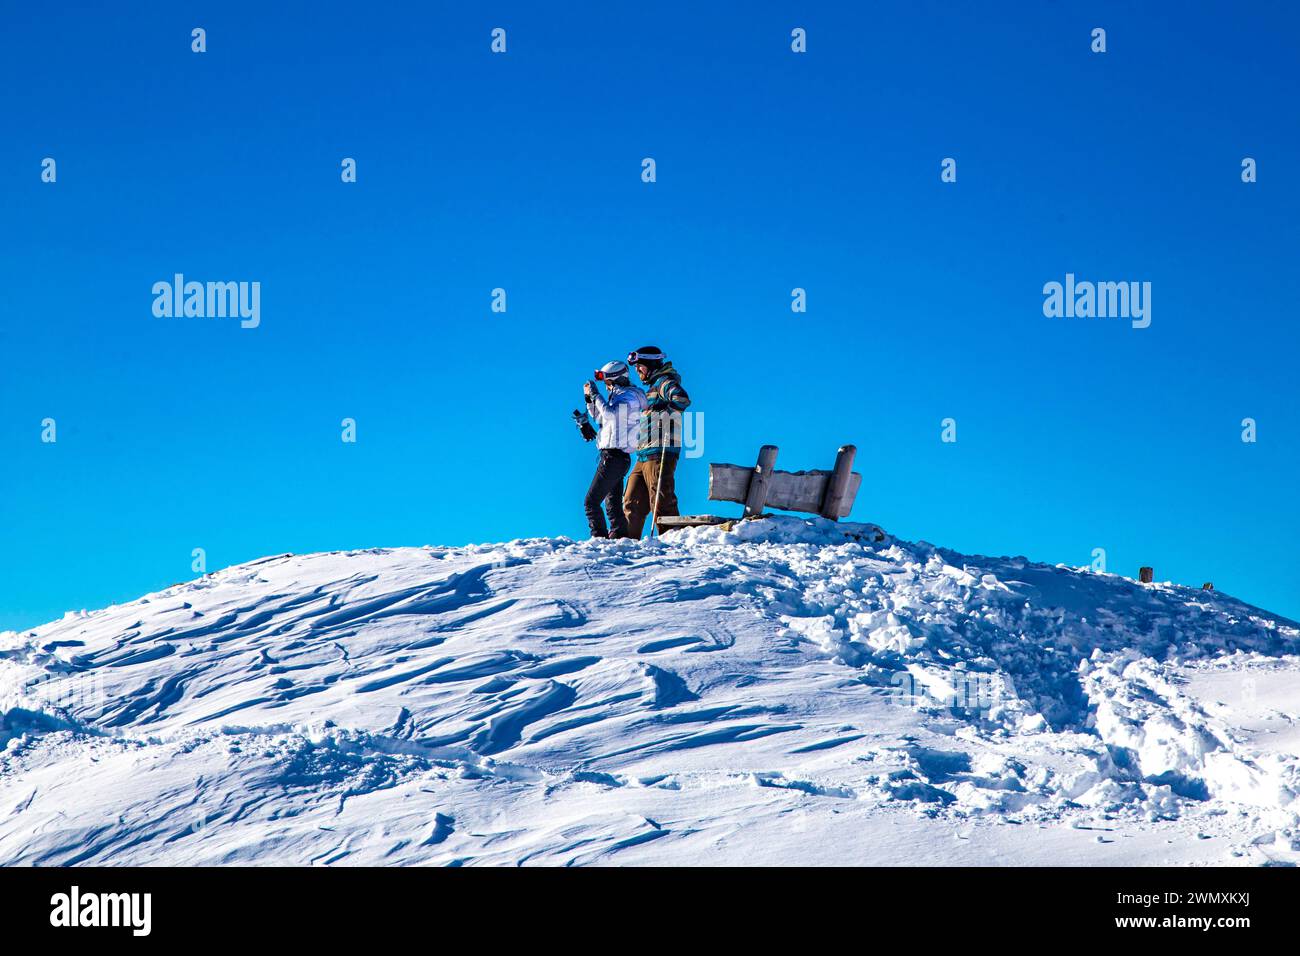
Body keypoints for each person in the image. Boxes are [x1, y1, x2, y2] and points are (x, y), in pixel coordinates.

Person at [623, 346, 691, 537]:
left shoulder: (664, 381)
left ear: (651, 364)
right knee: (631, 500)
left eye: (640, 366)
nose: (637, 370)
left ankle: (670, 543)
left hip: (661, 449)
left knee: (660, 500)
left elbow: (682, 399)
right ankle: (627, 546)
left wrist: (664, 410)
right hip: (643, 453)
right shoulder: (652, 387)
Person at [582, 360, 647, 538]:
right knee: (612, 505)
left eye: (607, 382)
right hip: (612, 456)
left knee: (591, 502)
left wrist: (595, 395)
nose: (606, 386)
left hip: (615, 457)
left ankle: (599, 538)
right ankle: (619, 536)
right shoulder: (618, 396)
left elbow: (610, 415)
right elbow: (599, 417)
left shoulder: (629, 397)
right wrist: (589, 400)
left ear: (616, 379)